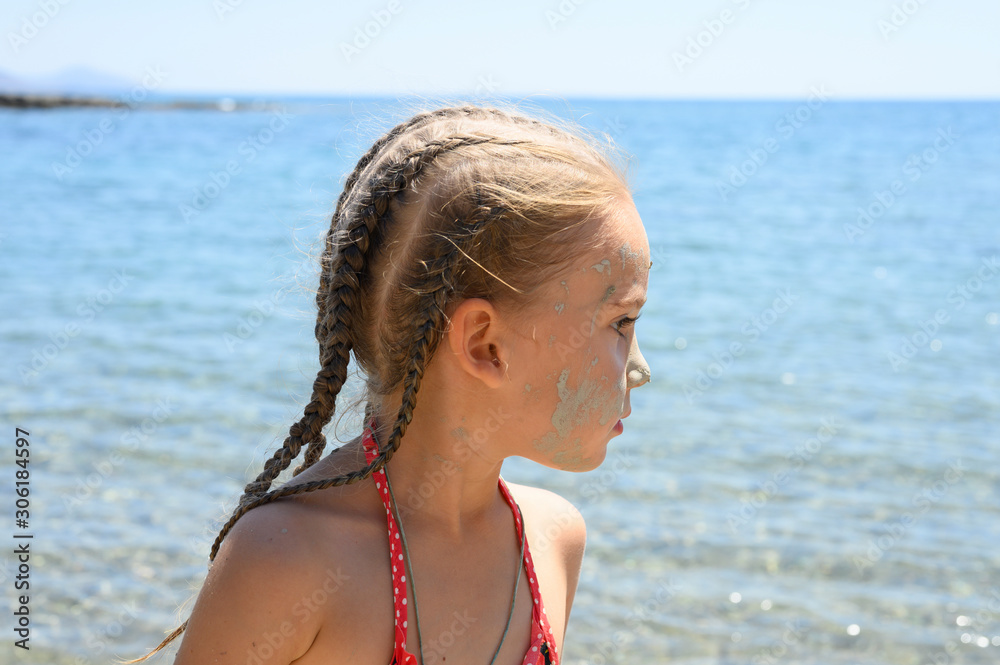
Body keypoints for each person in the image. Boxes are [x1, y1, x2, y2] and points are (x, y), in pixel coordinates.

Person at [133, 103, 651, 665]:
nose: (641, 369)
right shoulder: (285, 562)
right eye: (622, 322)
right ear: (486, 346)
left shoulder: (554, 540)